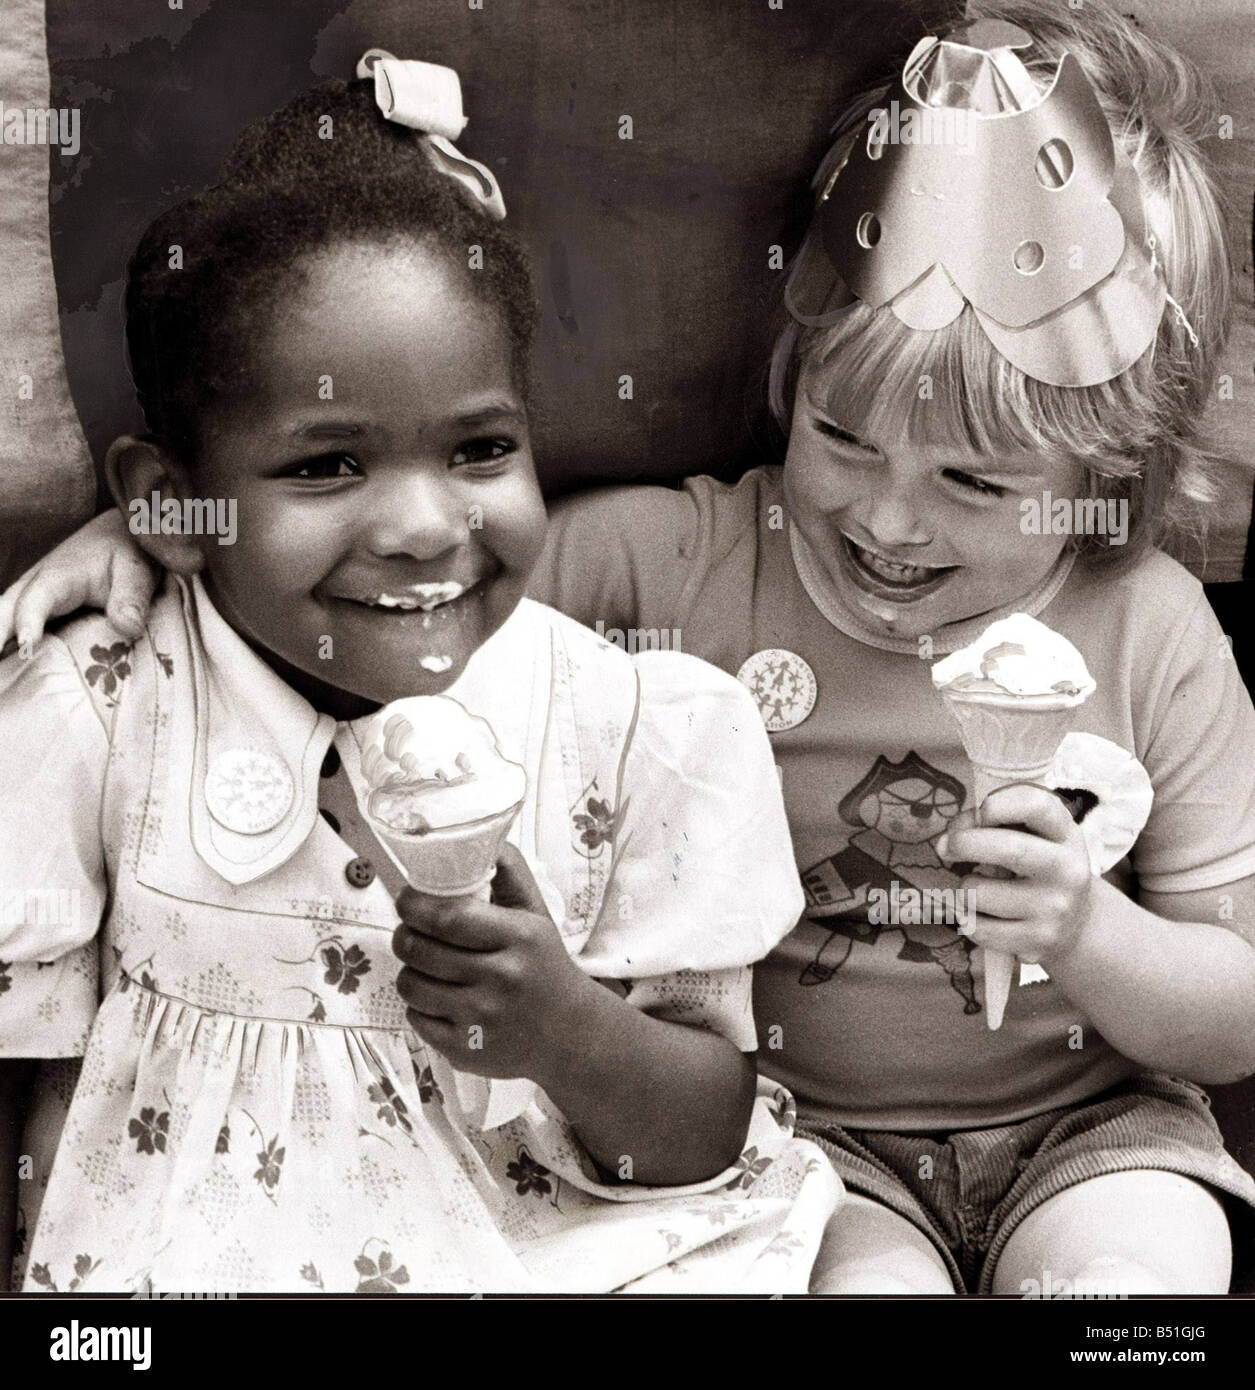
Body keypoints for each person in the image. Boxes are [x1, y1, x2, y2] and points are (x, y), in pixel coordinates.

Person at [8, 2, 1255, 1297]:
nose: (887, 516)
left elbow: (1233, 1019)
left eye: (973, 482)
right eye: (840, 436)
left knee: (1134, 1283)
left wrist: (1085, 930)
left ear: (1107, 471)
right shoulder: (681, 557)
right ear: (787, 378)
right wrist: (166, 542)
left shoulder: (1147, 626)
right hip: (816, 1146)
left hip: (1098, 1131)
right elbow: (417, 567)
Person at [0, 57, 841, 1294]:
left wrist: (564, 1025)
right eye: (328, 465)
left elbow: (700, 1133)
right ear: (173, 504)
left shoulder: (630, 728)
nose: (422, 524)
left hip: (539, 1252)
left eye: (481, 447)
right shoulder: (101, 710)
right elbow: (34, 1079)